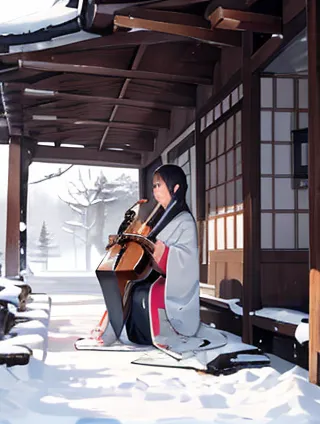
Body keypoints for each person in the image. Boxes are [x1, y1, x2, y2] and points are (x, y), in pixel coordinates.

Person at [125, 164, 201, 345]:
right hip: (161, 273)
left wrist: (166, 252)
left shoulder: (185, 220)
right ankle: (139, 336)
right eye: (154, 186)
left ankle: (153, 335)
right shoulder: (163, 216)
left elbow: (187, 259)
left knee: (150, 292)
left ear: (175, 188)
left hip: (177, 283)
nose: (155, 190)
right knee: (134, 288)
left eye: (159, 185)